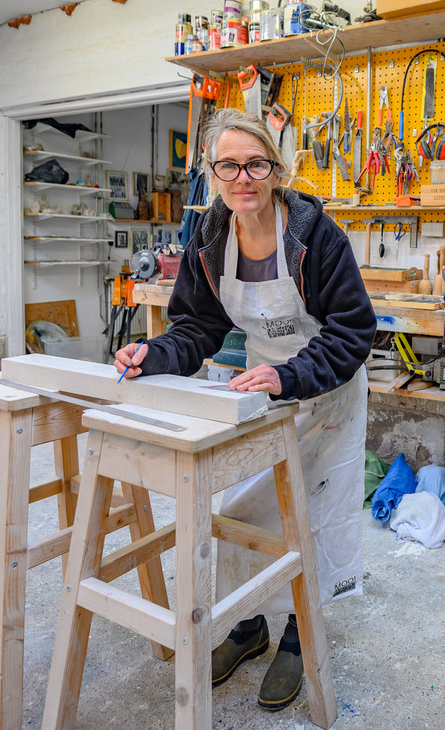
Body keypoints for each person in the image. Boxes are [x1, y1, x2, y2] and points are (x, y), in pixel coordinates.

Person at [114, 107, 375, 710]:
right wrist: (151, 354)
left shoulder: (314, 235)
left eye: (256, 163)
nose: (243, 177)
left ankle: (294, 637)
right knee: (241, 510)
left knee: (309, 519)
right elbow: (198, 326)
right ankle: (248, 624)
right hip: (261, 396)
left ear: (276, 169)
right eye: (228, 165)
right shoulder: (207, 237)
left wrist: (291, 376)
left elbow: (354, 331)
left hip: (326, 391)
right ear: (211, 173)